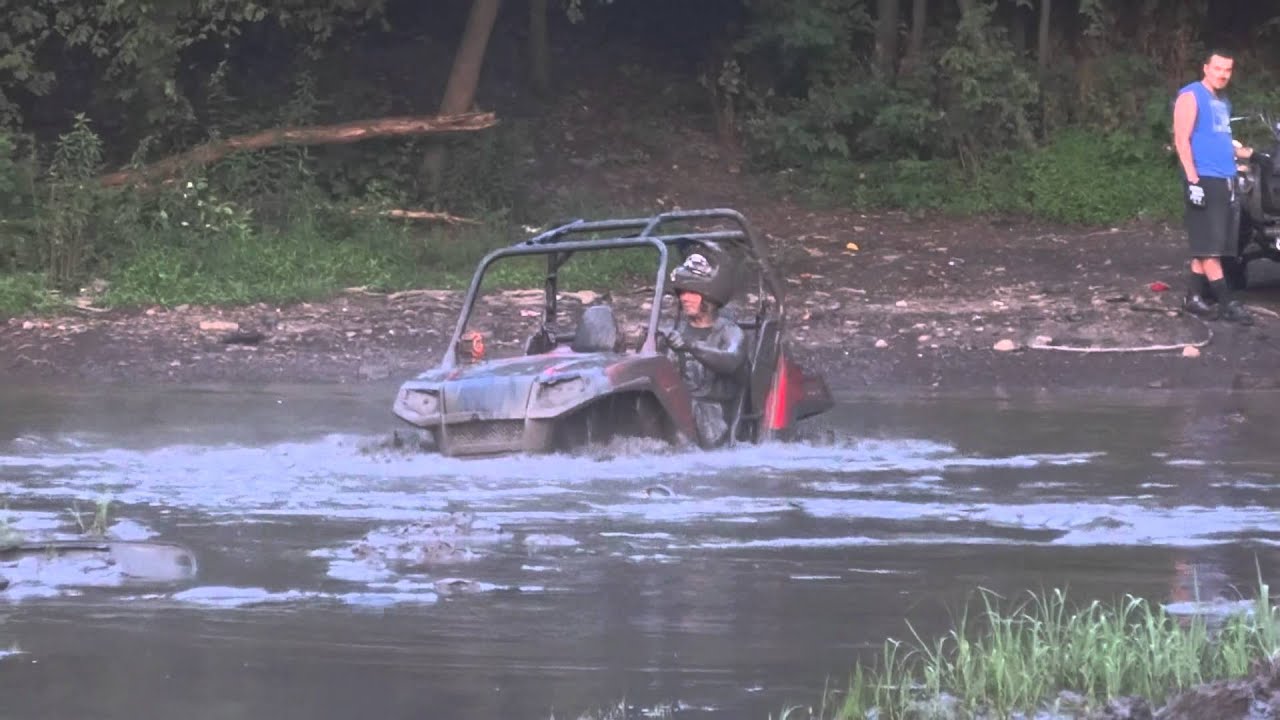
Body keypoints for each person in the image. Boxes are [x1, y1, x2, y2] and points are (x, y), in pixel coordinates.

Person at [1172, 49, 1255, 325]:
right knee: (1210, 250)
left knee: (1210, 245)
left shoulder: (1223, 102)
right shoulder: (1191, 95)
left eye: (1227, 70)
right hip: (1204, 179)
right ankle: (1227, 302)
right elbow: (1182, 141)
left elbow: (1222, 141)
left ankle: (1193, 299)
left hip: (1225, 180)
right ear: (1205, 68)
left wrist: (1250, 156)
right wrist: (1193, 181)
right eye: (1217, 68)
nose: (1222, 74)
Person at [660, 249, 748, 448]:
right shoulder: (676, 332)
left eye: (692, 292)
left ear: (709, 296)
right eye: (682, 292)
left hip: (716, 415)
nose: (684, 298)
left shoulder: (731, 332)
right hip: (679, 409)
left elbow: (731, 361)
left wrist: (691, 347)